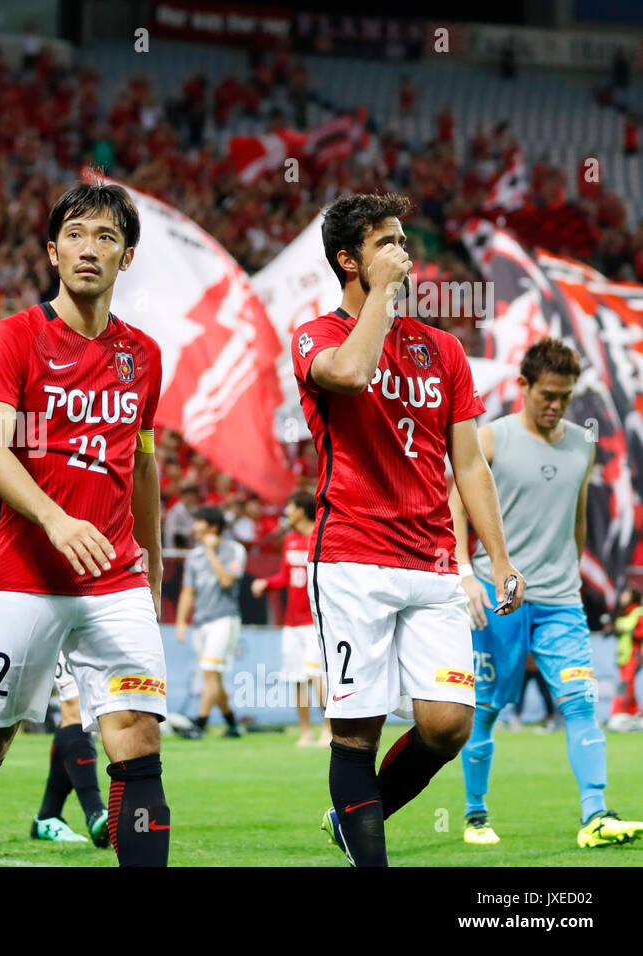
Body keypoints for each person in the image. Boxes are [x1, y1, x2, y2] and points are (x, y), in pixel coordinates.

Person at [0, 181, 169, 868]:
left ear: (126, 256)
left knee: (137, 740)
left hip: (115, 579)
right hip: (23, 575)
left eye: (105, 237)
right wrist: (55, 517)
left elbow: (144, 463)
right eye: (74, 234)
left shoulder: (145, 355)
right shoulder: (14, 336)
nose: (88, 248)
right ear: (52, 251)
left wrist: (151, 561)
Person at [291, 194, 525, 867]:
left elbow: (470, 463)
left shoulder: (443, 349)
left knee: (448, 725)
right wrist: (381, 302)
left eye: (403, 241)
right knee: (356, 733)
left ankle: (350, 820)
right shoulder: (317, 336)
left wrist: (498, 558)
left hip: (430, 563)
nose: (404, 253)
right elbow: (353, 373)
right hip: (352, 558)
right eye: (386, 243)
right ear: (347, 260)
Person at [452, 339, 643, 848]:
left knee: (581, 704)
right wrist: (462, 569)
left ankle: (596, 816)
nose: (555, 404)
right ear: (523, 386)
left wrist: (572, 575)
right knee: (487, 708)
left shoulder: (583, 443)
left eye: (564, 395)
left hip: (561, 600)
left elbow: (578, 518)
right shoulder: (491, 439)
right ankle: (474, 816)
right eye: (547, 395)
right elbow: (453, 496)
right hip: (501, 599)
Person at [251, 489, 330, 746]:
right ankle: (306, 732)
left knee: (316, 675)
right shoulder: (291, 540)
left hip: (315, 620)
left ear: (301, 509)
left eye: (290, 507)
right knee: (296, 677)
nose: (286, 512)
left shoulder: (320, 538)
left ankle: (328, 729)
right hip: (291, 622)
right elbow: (285, 576)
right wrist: (267, 583)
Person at [176, 506, 246, 739]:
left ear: (213, 527)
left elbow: (227, 580)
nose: (194, 526)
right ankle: (233, 724)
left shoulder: (235, 550)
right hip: (200, 622)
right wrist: (180, 622)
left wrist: (211, 553)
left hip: (224, 619)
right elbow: (188, 591)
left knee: (209, 671)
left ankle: (200, 725)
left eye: (199, 522)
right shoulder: (193, 556)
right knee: (213, 675)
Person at [30, 654, 109, 847]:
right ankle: (95, 811)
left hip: (107, 629)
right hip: (64, 627)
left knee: (76, 713)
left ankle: (48, 815)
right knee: (76, 707)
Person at [606, 587, 642, 732]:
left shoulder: (638, 612)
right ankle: (635, 714)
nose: (622, 597)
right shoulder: (624, 613)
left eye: (626, 594)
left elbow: (640, 632)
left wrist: (627, 630)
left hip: (633, 656)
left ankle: (617, 714)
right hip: (624, 656)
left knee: (625, 685)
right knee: (629, 686)